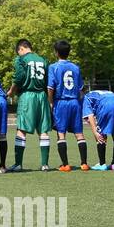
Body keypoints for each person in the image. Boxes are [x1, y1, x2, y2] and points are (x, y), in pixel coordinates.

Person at [5, 39, 51, 172]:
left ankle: (18, 164)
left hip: (27, 96)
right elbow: (48, 80)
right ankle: (44, 164)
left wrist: (11, 92)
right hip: (42, 96)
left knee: (21, 129)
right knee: (43, 131)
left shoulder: (20, 60)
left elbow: (18, 78)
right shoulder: (43, 59)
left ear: (21, 49)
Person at [48, 40, 88, 171]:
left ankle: (65, 165)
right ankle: (84, 163)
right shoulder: (76, 67)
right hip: (75, 102)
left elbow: (50, 88)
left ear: (56, 52)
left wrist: (51, 102)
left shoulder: (53, 67)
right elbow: (82, 88)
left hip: (61, 102)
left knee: (61, 133)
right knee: (79, 133)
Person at [82, 89, 114, 170]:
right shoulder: (102, 92)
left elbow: (90, 116)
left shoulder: (86, 98)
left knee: (100, 134)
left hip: (106, 106)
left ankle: (102, 164)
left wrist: (95, 132)